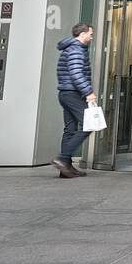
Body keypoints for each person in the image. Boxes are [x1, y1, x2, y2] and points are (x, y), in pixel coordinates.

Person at [53, 23, 96, 177]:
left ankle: (66, 169)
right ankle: (63, 159)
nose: (92, 36)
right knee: (88, 125)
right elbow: (76, 73)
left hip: (66, 93)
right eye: (90, 33)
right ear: (82, 34)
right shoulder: (76, 50)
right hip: (73, 94)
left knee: (70, 130)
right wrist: (88, 91)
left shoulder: (71, 49)